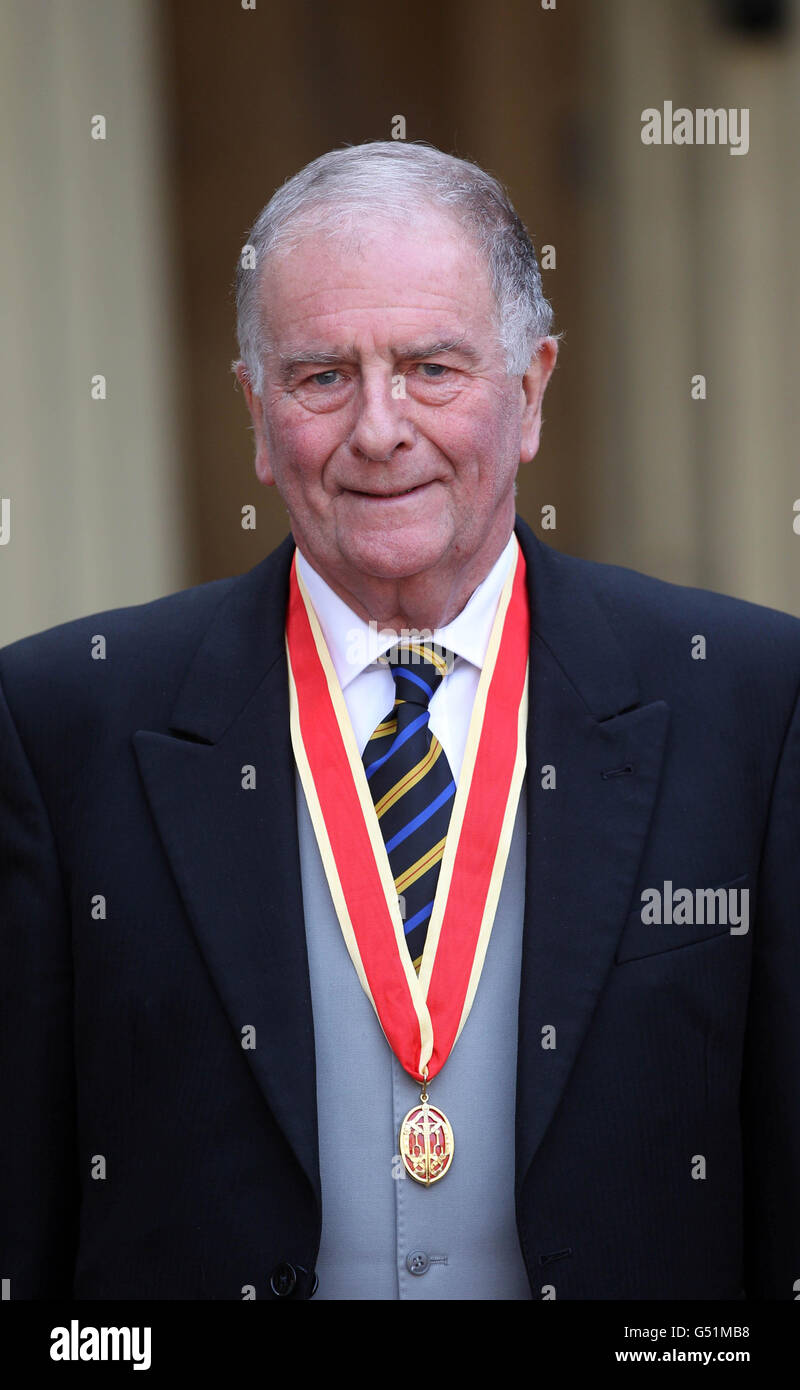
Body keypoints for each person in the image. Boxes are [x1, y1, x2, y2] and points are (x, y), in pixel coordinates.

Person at [1, 141, 798, 1302]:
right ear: (257, 415)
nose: (379, 428)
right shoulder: (59, 719)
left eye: (432, 368)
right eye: (322, 375)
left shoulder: (749, 701)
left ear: (528, 392)